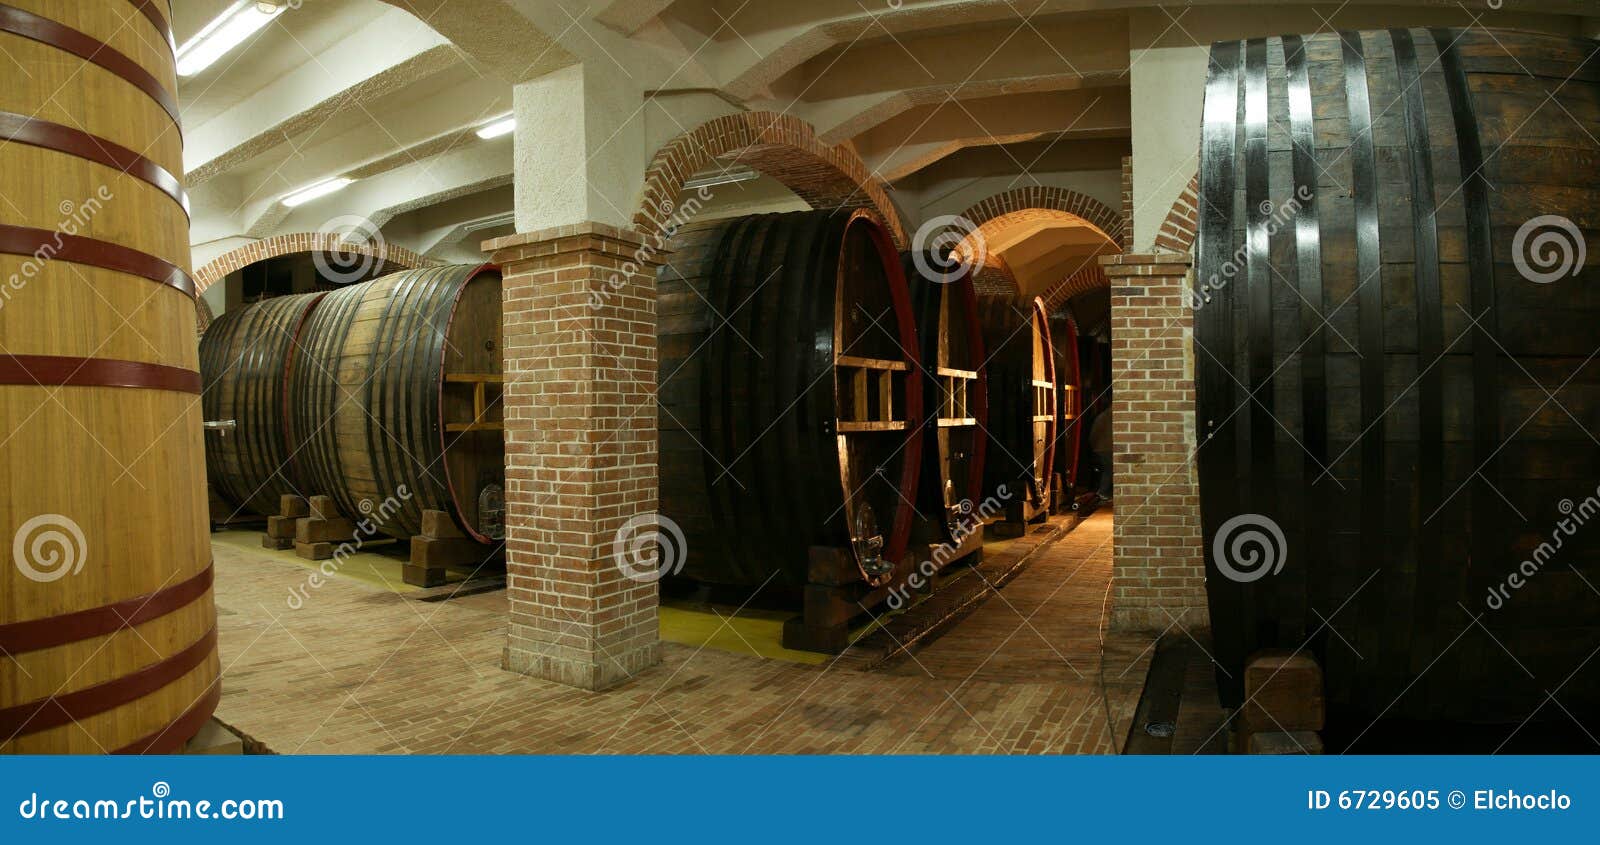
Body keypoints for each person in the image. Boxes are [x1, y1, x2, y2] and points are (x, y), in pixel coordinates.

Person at [1089, 406, 1113, 503]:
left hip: (1101, 447)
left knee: (1107, 469)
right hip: (1107, 448)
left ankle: (1103, 492)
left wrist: (1094, 446)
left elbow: (1093, 435)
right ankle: (1102, 492)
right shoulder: (1111, 417)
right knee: (1108, 469)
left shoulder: (1101, 417)